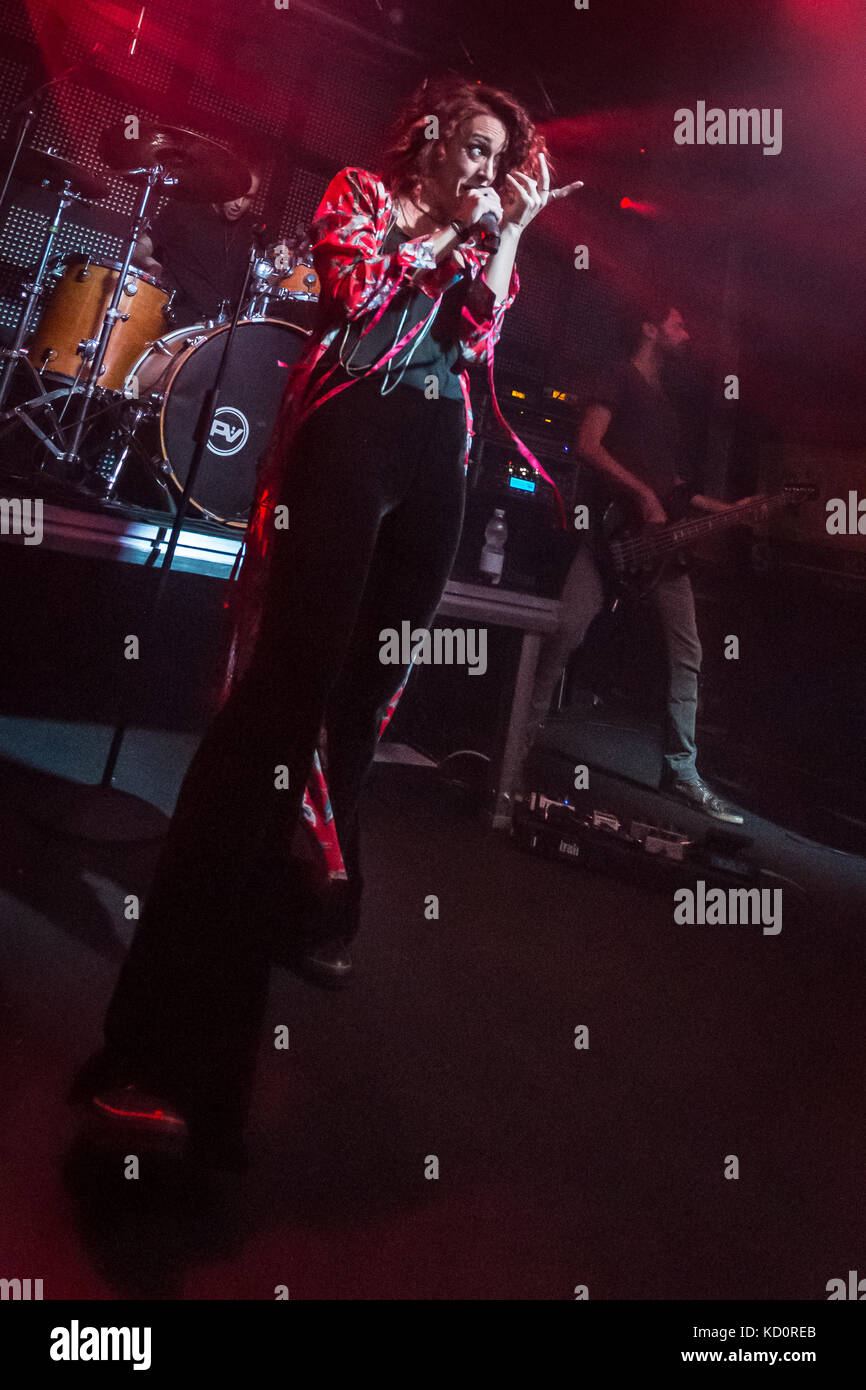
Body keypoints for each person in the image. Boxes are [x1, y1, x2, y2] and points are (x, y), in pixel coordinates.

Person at [71, 76, 580, 1171]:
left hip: (435, 458)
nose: (488, 169)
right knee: (282, 699)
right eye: (476, 146)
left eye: (502, 157)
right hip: (348, 438)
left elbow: (477, 335)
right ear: (430, 139)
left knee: (365, 699)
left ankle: (317, 898)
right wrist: (454, 233)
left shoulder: (481, 230)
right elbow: (357, 298)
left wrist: (506, 234)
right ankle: (167, 1034)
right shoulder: (359, 194)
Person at [518, 300, 748, 824]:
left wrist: (732, 510)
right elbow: (587, 444)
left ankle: (682, 773)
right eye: (677, 324)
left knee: (687, 656)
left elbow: (675, 489)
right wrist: (641, 493)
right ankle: (518, 743)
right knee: (565, 633)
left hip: (661, 549)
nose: (686, 332)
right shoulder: (617, 377)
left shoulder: (667, 402)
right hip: (611, 537)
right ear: (649, 329)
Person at [133, 164, 264, 324]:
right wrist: (151, 264)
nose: (239, 203)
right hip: (176, 317)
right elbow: (140, 247)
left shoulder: (251, 230)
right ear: (224, 185)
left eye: (248, 197)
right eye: (237, 194)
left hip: (222, 328)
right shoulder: (185, 209)